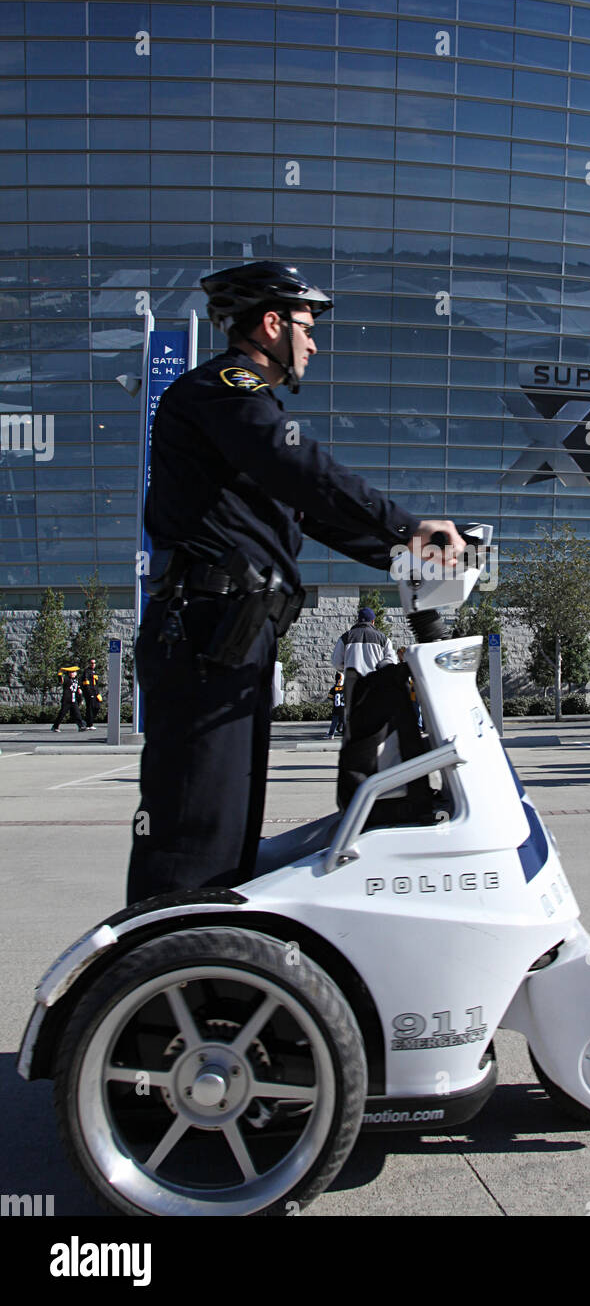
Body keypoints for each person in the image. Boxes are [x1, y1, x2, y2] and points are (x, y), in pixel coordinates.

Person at [126, 260, 464, 904]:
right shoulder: (223, 391)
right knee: (196, 832)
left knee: (231, 833)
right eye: (306, 327)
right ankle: (157, 980)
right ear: (271, 324)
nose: (313, 342)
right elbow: (299, 464)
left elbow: (314, 513)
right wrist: (409, 525)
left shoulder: (244, 425)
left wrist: (411, 554)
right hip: (201, 634)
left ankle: (210, 979)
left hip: (231, 640)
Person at [332, 607, 397, 724]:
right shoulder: (383, 638)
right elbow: (392, 662)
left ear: (358, 621)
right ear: (373, 621)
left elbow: (336, 662)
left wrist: (346, 667)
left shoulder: (346, 637)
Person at [51, 668, 88, 733]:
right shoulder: (67, 679)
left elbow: (78, 689)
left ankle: (81, 726)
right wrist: (59, 674)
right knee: (62, 713)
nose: (72, 673)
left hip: (74, 700)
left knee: (77, 713)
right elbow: (61, 680)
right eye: (71, 672)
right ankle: (55, 726)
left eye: (74, 672)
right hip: (67, 700)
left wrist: (80, 698)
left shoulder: (77, 680)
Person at [79, 657, 102, 730]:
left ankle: (87, 721)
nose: (93, 664)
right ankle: (90, 724)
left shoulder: (95, 671)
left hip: (95, 693)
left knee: (97, 707)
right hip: (89, 693)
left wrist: (98, 693)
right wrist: (89, 693)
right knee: (90, 708)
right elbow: (86, 683)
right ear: (89, 664)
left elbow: (96, 684)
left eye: (94, 663)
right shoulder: (87, 671)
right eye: (92, 663)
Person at [327, 671, 345, 738]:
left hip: (336, 709)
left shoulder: (333, 689)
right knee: (345, 722)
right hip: (343, 709)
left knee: (334, 723)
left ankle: (331, 734)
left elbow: (330, 697)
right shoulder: (345, 688)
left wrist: (334, 699)